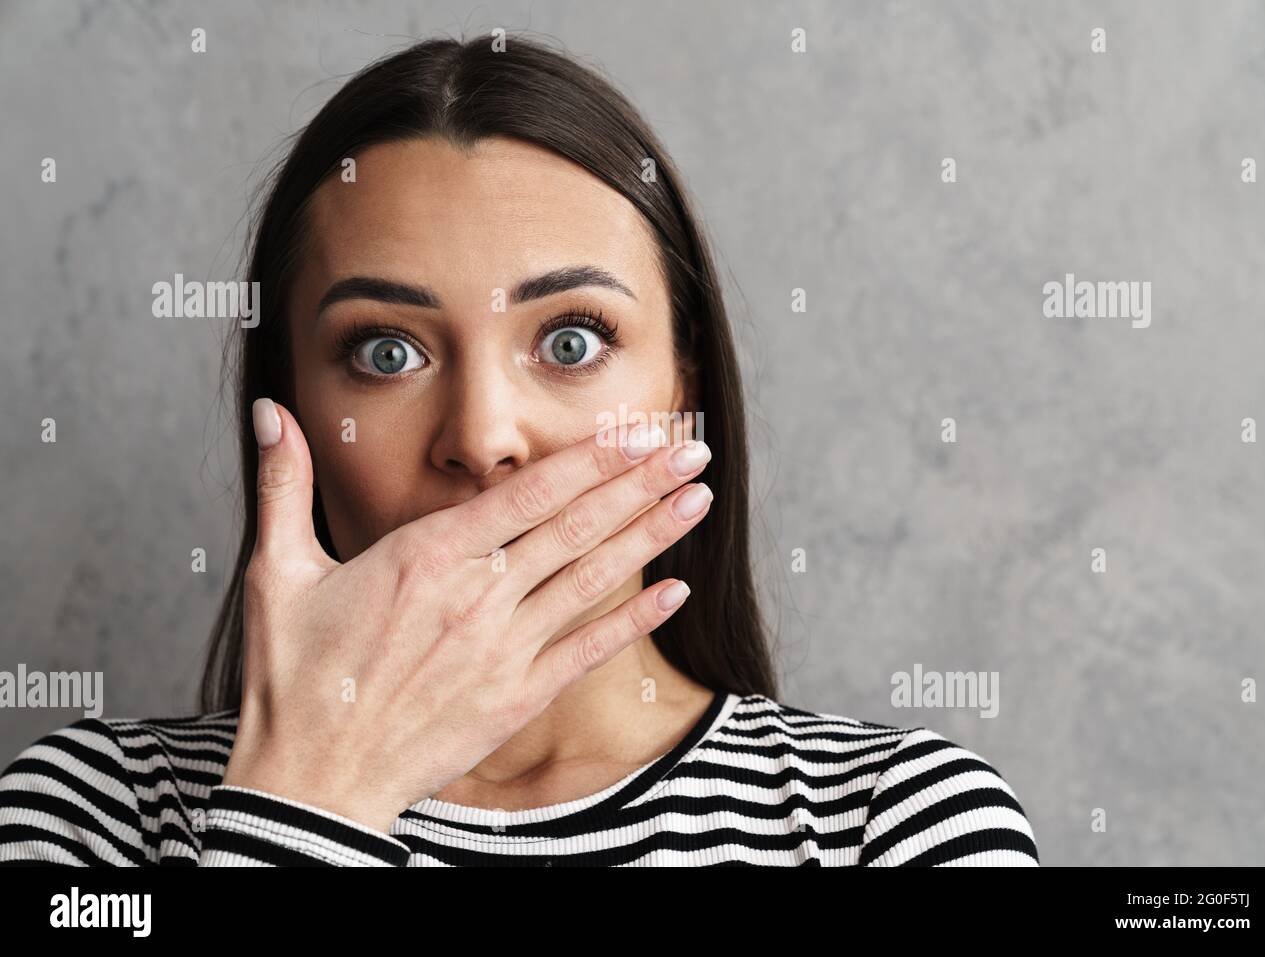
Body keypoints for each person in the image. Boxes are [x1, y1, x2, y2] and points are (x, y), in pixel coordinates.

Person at [0, 33, 1038, 866]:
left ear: (685, 391)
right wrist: (310, 803)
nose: (483, 439)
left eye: (572, 341)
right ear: (294, 412)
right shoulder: (87, 819)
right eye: (386, 350)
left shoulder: (894, 824)